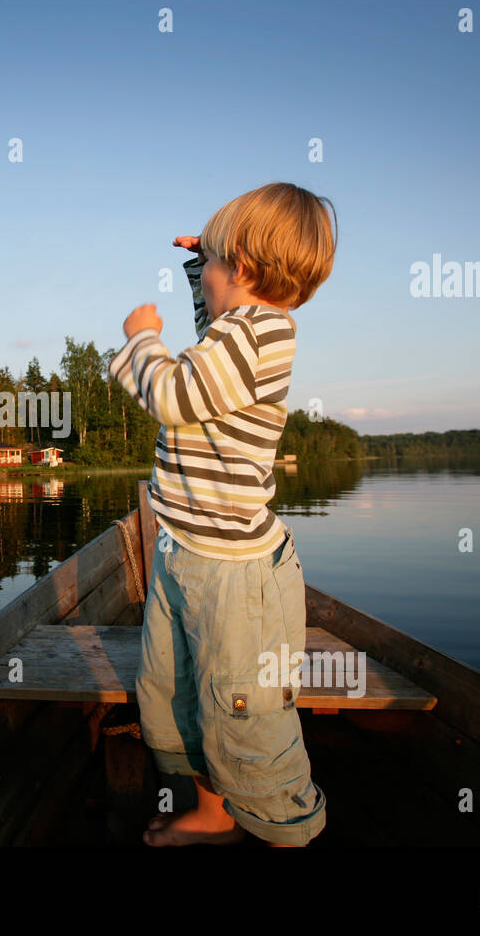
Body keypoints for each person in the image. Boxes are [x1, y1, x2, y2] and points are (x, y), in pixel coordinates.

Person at [108, 182, 337, 846]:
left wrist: (143, 339)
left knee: (245, 711)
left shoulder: (264, 332)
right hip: (186, 555)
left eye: (212, 262)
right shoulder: (240, 330)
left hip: (234, 577)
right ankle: (214, 812)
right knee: (178, 693)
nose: (203, 277)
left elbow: (175, 395)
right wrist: (200, 258)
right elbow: (215, 321)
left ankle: (289, 830)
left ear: (242, 268)